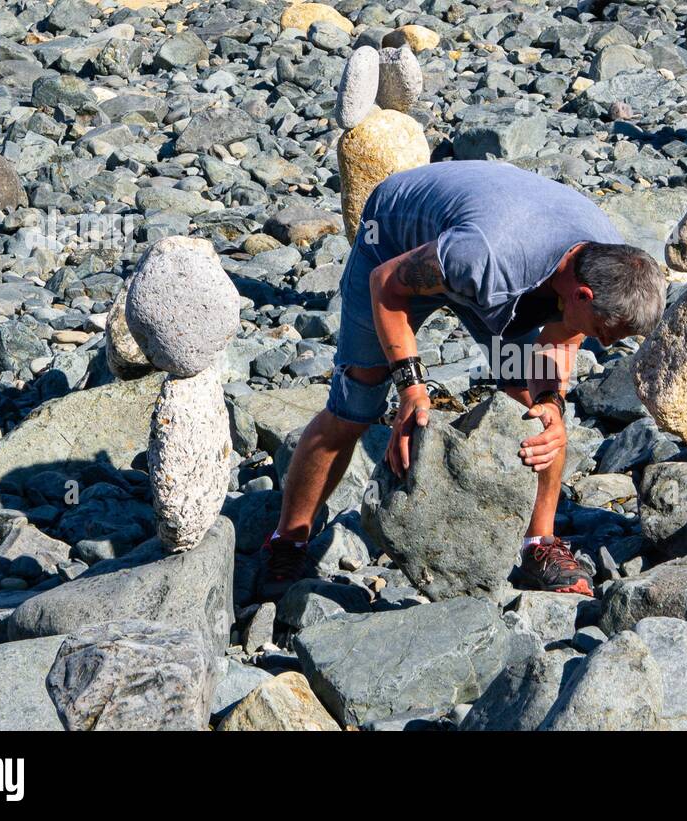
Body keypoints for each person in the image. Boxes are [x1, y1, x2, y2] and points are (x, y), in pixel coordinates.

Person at [259, 160, 666, 599]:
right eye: (605, 332)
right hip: (395, 240)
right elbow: (386, 285)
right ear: (581, 294)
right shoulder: (486, 257)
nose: (603, 343)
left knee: (534, 414)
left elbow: (563, 336)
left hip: (505, 263)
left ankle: (539, 543)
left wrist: (551, 399)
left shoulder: (605, 261)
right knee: (356, 403)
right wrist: (411, 389)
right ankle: (290, 537)